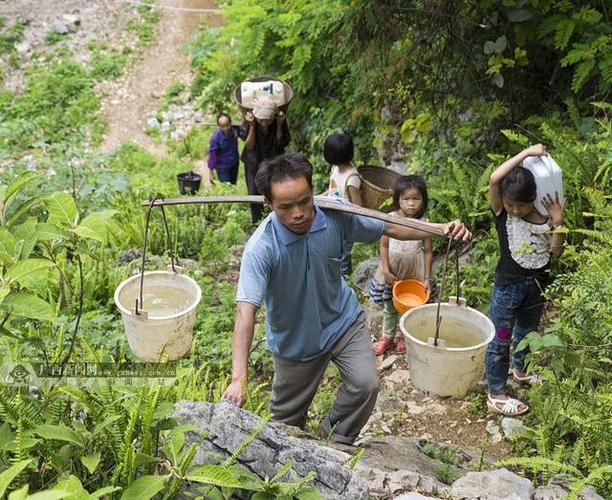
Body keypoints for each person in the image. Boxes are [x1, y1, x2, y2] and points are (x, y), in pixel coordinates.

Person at [222, 153, 471, 445]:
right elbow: (245, 313)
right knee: (284, 423)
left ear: (313, 191)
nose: (299, 213)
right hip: (295, 341)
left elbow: (390, 227)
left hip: (342, 322)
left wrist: (440, 230)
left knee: (365, 385)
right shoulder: (262, 248)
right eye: (286, 207)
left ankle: (333, 440)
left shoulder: (334, 213)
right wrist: (239, 377)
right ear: (269, 205)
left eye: (304, 201)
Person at [485, 143, 565, 416]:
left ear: (534, 197)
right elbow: (495, 179)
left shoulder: (545, 219)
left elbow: (555, 253)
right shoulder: (502, 214)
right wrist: (526, 154)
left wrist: (558, 222)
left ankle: (521, 371)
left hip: (536, 287)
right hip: (508, 289)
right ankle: (496, 392)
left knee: (527, 333)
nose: (515, 210)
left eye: (521, 205)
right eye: (510, 204)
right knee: (501, 338)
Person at [369, 175, 433, 356]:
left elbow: (428, 251)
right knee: (390, 306)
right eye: (406, 199)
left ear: (424, 199)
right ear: (398, 199)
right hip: (393, 272)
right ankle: (387, 337)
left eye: (416, 198)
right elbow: (384, 245)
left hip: (415, 272)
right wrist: (387, 270)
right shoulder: (390, 220)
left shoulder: (425, 224)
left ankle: (403, 336)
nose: (411, 204)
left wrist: (427, 278)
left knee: (410, 306)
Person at [242, 99, 291, 224]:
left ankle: (274, 219)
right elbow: (249, 146)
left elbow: (281, 143)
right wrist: (252, 126)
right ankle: (256, 222)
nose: (264, 123)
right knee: (253, 191)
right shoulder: (250, 122)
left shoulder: (279, 121)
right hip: (253, 161)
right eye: (261, 120)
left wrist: (279, 125)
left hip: (273, 160)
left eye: (268, 120)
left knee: (274, 190)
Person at [323, 132, 362, 279]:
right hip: (331, 216)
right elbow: (333, 189)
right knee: (332, 248)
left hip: (345, 222)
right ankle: (334, 275)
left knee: (343, 252)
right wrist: (320, 197)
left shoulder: (352, 178)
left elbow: (358, 206)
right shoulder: (335, 168)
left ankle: (344, 279)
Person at [207, 113, 244, 185]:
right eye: (222, 126)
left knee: (233, 184)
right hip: (222, 167)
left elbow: (244, 132)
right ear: (218, 126)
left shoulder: (235, 130)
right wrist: (211, 173)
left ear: (230, 123)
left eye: (227, 125)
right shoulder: (216, 138)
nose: (226, 128)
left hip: (234, 163)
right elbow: (212, 155)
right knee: (226, 186)